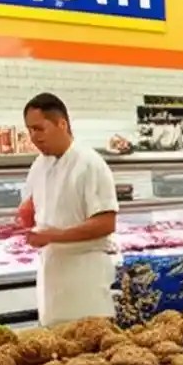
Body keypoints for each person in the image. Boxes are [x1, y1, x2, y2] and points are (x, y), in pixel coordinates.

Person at [17, 92, 120, 326]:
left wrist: (52, 235)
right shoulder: (40, 165)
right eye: (29, 130)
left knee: (91, 353)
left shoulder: (89, 163)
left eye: (39, 129)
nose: (33, 137)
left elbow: (106, 223)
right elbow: (32, 207)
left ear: (62, 124)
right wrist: (22, 218)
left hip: (85, 278)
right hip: (53, 278)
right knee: (54, 352)